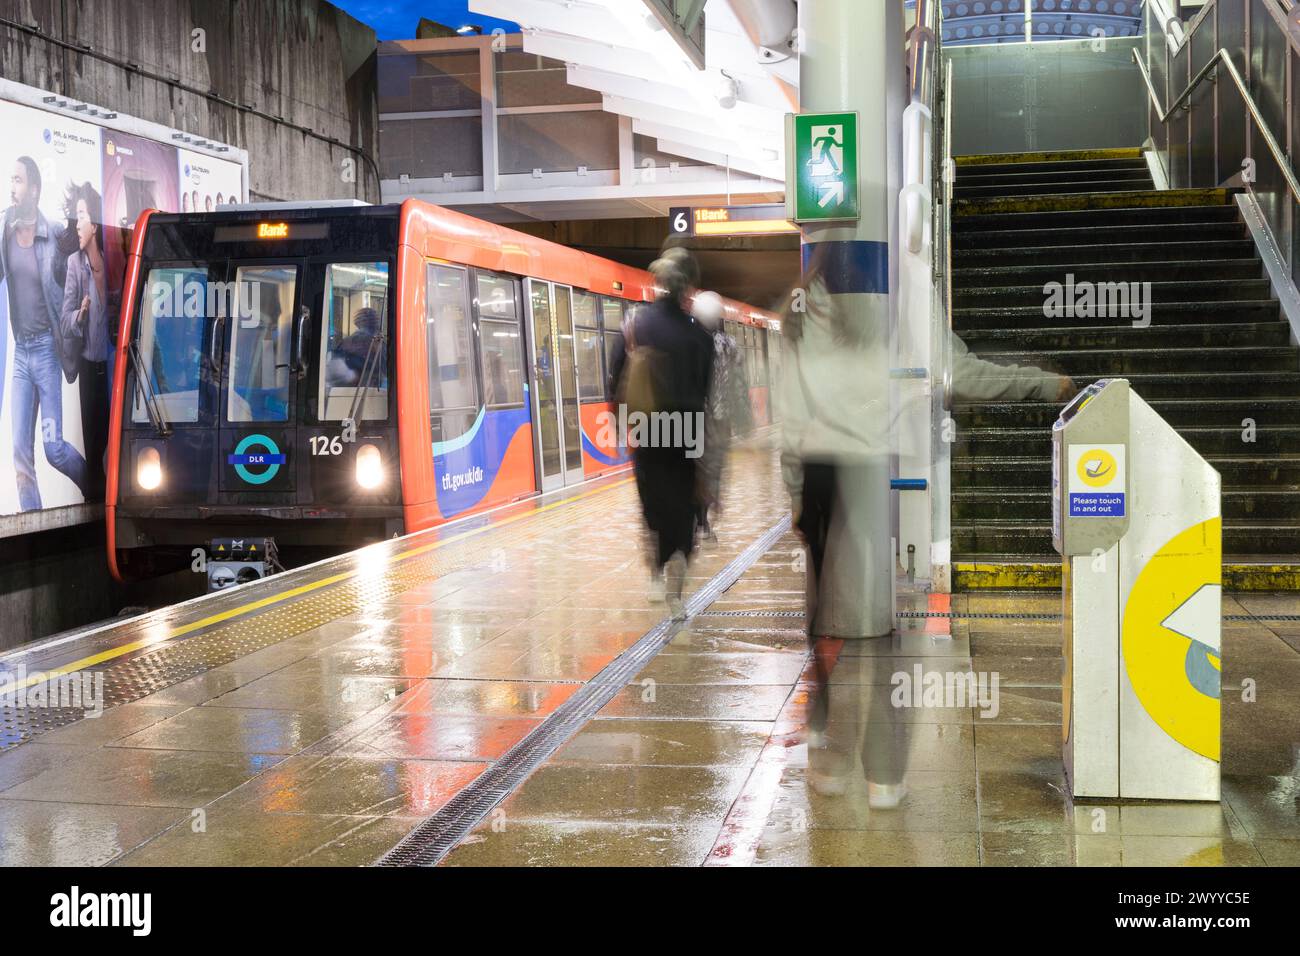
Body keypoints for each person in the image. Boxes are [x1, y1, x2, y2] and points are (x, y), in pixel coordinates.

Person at [609, 251, 713, 618]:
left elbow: (615, 380)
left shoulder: (634, 325)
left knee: (653, 504)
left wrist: (623, 426)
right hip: (686, 435)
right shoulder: (699, 335)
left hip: (648, 432)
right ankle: (676, 588)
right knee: (684, 507)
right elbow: (706, 392)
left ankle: (655, 570)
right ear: (688, 286)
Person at [0, 157, 88, 511]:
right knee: (21, 456)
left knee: (54, 450)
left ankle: (95, 488)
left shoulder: (53, 233)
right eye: (11, 180)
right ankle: (32, 525)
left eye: (18, 180)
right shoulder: (5, 231)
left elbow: (70, 279)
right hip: (21, 354)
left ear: (33, 189)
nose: (12, 187)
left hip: (47, 352)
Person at [59, 181, 110, 498]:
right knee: (93, 447)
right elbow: (64, 320)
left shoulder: (110, 262)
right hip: (91, 370)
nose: (77, 224)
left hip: (115, 367)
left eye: (82, 216)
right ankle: (97, 507)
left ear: (95, 223)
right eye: (75, 217)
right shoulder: (74, 265)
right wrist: (80, 313)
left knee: (113, 443)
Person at [691, 289, 750, 542]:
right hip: (719, 421)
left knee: (692, 469)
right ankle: (703, 522)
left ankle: (695, 520)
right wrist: (744, 419)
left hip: (690, 420)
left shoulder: (687, 342)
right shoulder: (730, 346)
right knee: (713, 471)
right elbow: (739, 387)